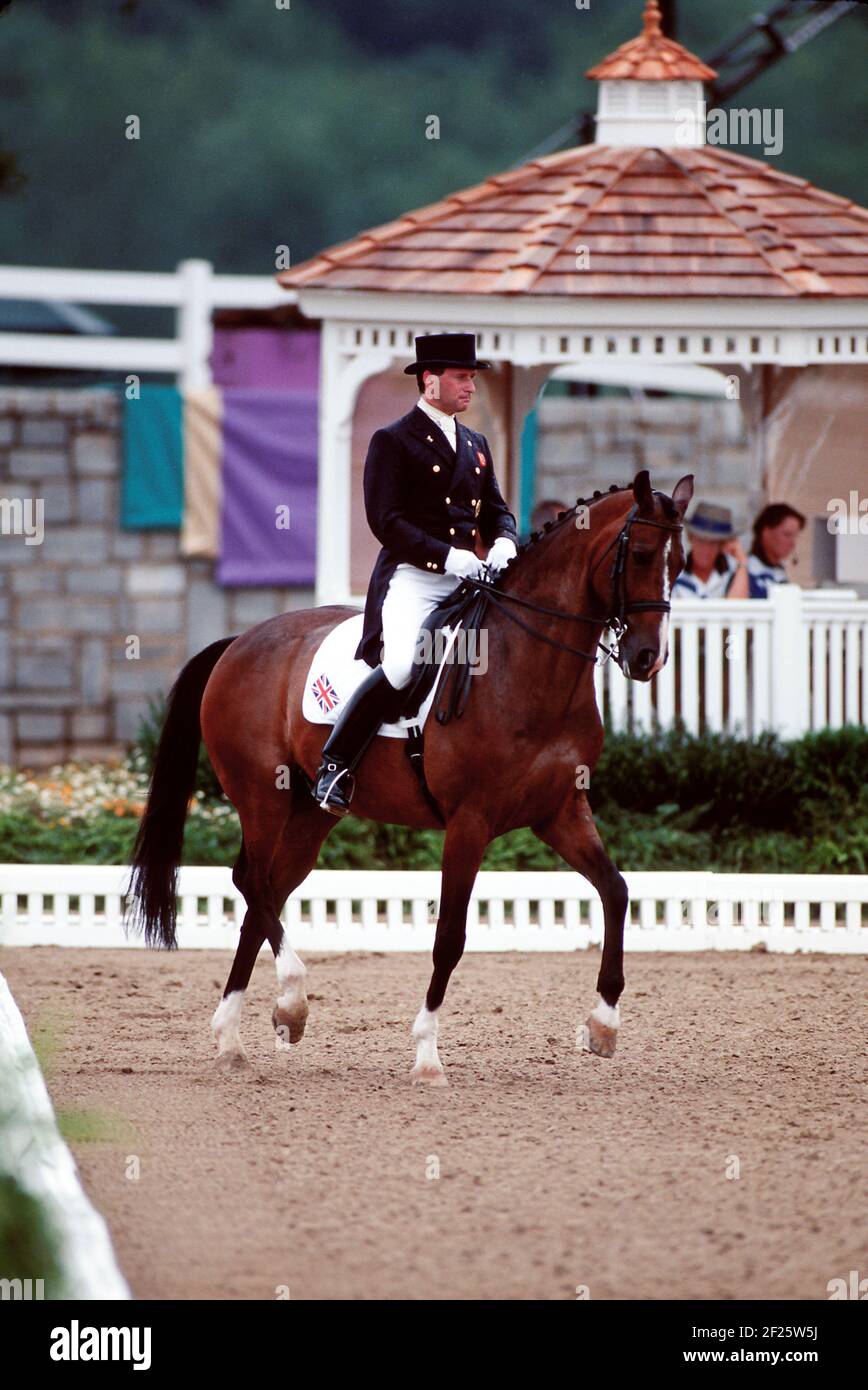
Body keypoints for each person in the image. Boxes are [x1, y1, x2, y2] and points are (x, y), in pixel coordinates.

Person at [311, 332, 519, 816]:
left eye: (472, 377)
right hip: (415, 578)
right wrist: (448, 556)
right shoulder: (393, 440)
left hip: (471, 581)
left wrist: (505, 540)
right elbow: (386, 521)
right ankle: (335, 764)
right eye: (462, 377)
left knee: (502, 656)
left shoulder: (475, 443)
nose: (471, 386)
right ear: (430, 381)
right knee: (404, 664)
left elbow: (496, 510)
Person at [672, 501, 750, 599]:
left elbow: (737, 610)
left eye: (713, 542)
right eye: (701, 540)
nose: (706, 548)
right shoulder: (674, 574)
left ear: (722, 544)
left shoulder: (733, 572)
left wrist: (742, 563)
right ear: (690, 538)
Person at [747, 502, 805, 598]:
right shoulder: (746, 569)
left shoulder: (780, 573)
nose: (792, 543)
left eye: (795, 536)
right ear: (766, 532)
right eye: (787, 535)